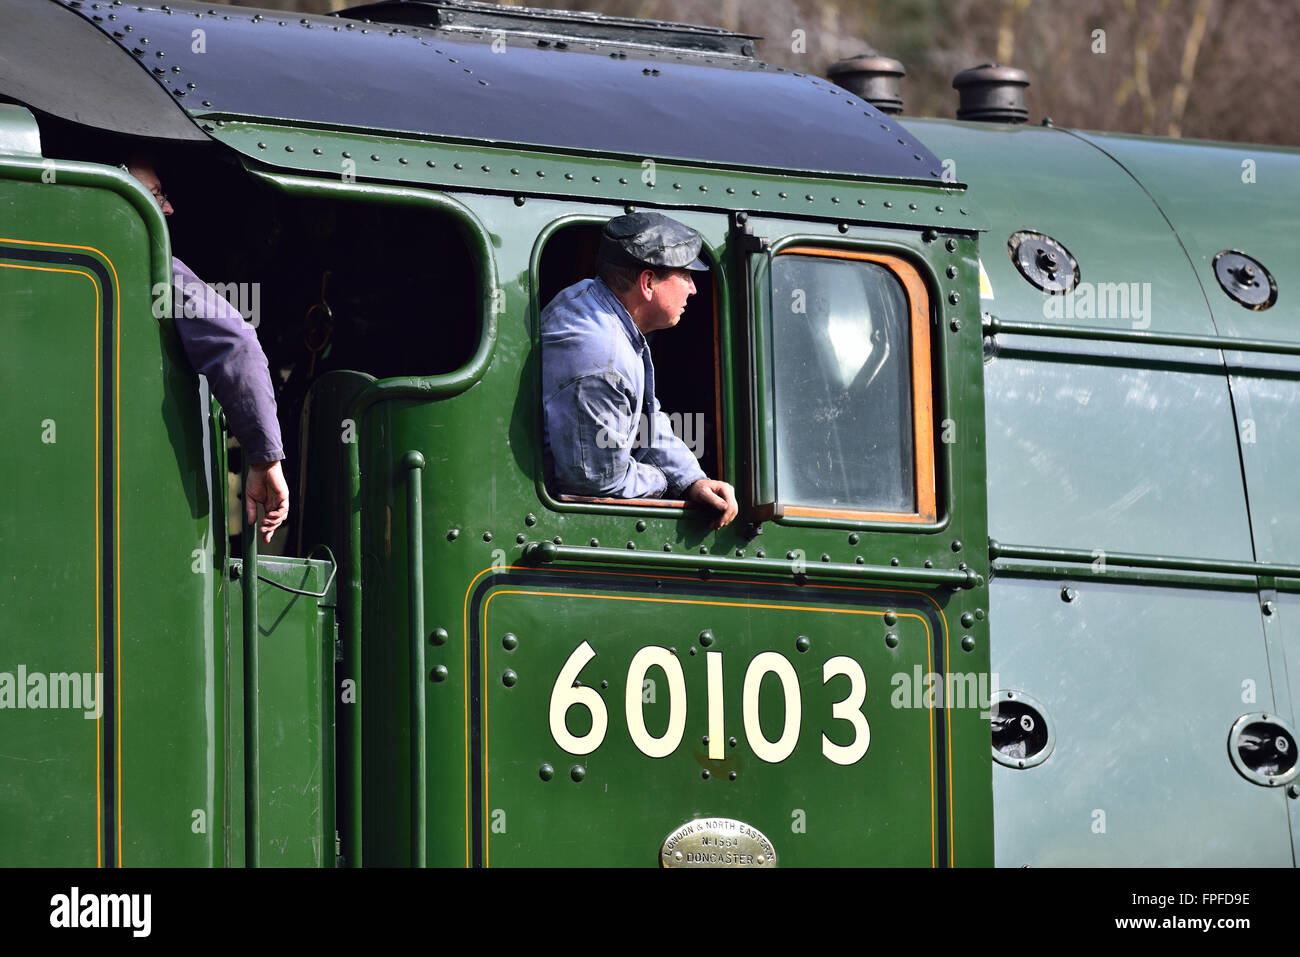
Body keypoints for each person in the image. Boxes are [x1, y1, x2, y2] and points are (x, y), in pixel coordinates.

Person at [125, 157, 289, 544]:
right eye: (154, 196)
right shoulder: (152, 267)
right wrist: (265, 457)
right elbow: (236, 342)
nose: (168, 208)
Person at [541, 212, 738, 529]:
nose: (693, 289)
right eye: (685, 276)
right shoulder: (604, 359)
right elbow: (598, 483)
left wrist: (690, 480)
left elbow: (646, 416)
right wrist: (660, 479)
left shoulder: (594, 303)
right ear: (648, 283)